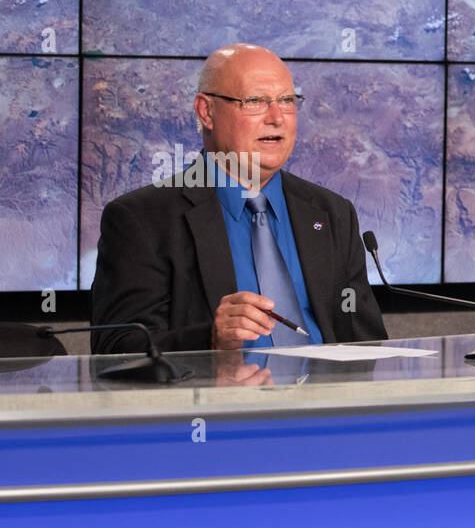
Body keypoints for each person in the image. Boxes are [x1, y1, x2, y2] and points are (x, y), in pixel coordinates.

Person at [91, 44, 387, 354]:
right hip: (220, 400)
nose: (277, 118)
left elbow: (366, 343)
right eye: (255, 101)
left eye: (287, 101)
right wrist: (211, 339)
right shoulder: (142, 220)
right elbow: (115, 350)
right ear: (207, 112)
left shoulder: (331, 213)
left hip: (325, 396)